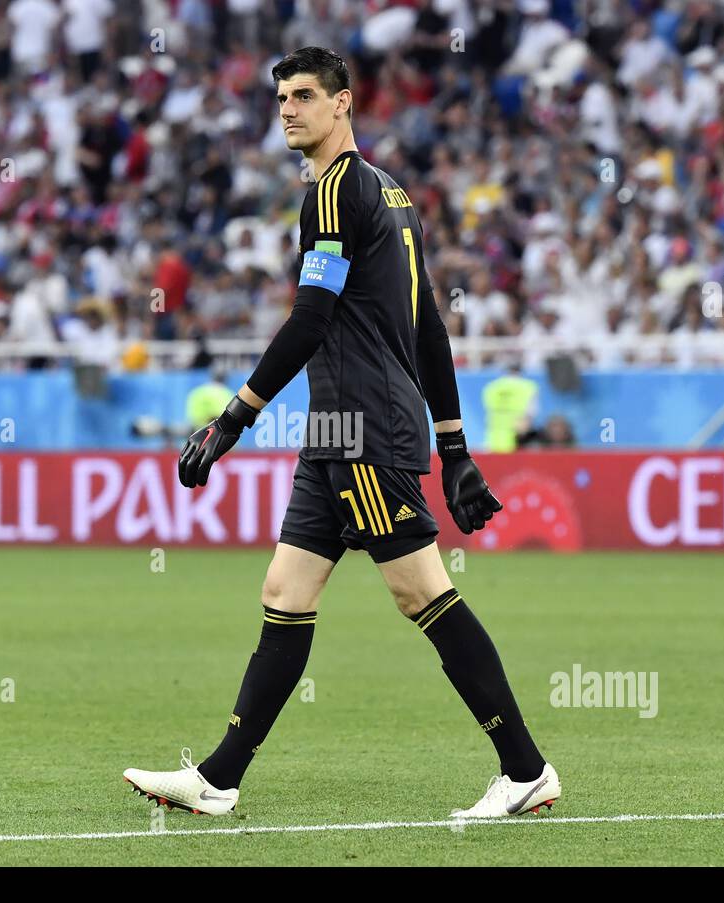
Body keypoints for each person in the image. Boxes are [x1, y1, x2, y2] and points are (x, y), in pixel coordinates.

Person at [123, 48, 559, 820]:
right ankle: (221, 778)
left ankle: (524, 768)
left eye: (303, 95)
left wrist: (234, 417)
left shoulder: (334, 194)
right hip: (337, 430)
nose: (286, 108)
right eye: (280, 97)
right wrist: (454, 448)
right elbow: (429, 327)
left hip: (362, 427)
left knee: (419, 591)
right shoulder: (393, 197)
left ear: (343, 104)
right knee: (285, 593)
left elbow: (312, 319)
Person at [481, 362, 538, 452]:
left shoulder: (492, 387)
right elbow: (531, 413)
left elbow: (488, 408)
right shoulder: (528, 387)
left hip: (494, 437)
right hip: (516, 437)